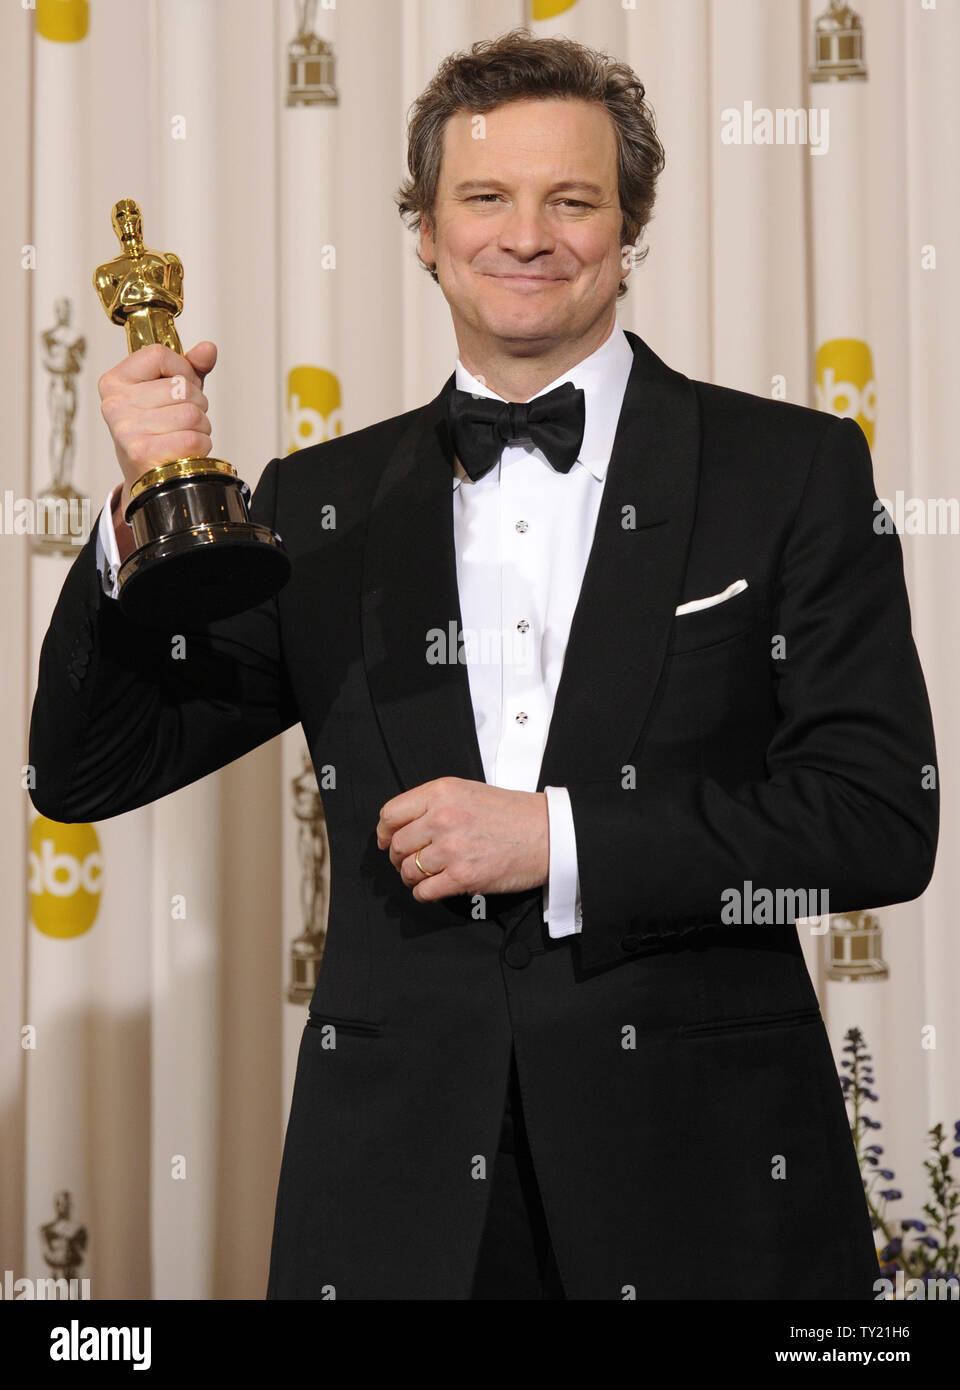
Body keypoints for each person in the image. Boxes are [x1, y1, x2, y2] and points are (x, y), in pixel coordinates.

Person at [29, 28, 938, 1300]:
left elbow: (879, 818)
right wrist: (139, 524)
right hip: (394, 1204)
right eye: (486, 198)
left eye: (573, 199)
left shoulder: (791, 470)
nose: (529, 235)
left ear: (629, 227)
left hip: (706, 1187)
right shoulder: (320, 501)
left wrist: (559, 839)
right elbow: (85, 769)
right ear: (424, 231)